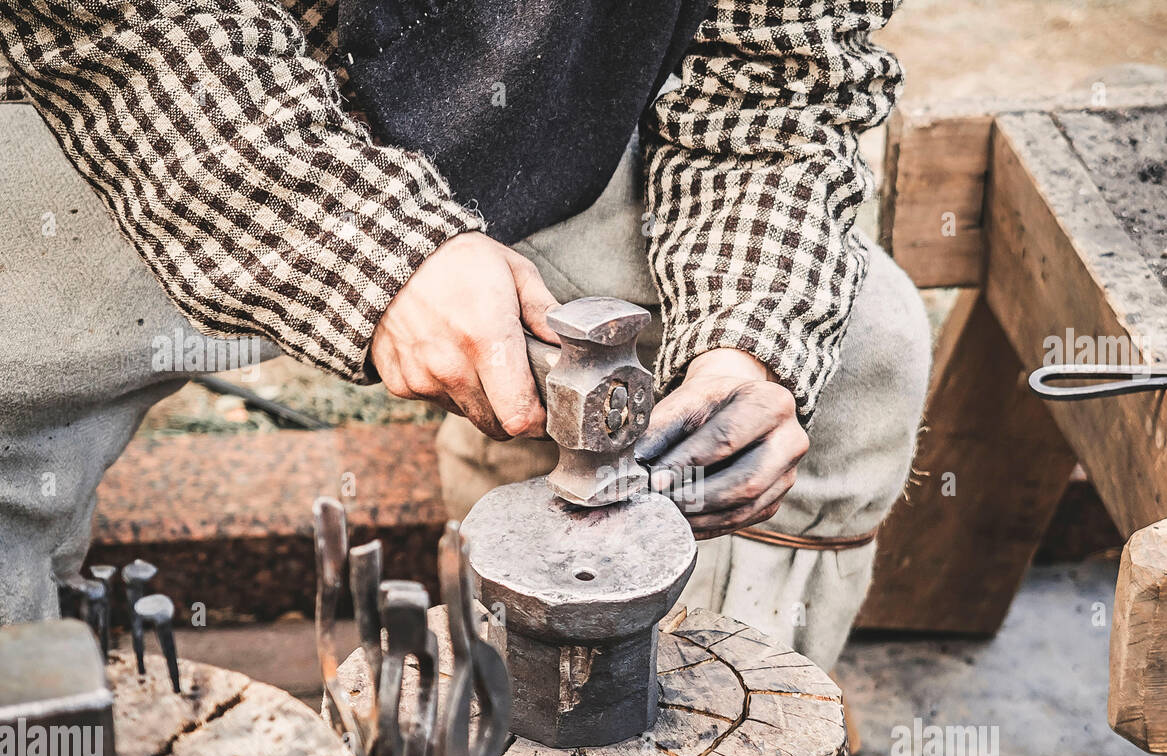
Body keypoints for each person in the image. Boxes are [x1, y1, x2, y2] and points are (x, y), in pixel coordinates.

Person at [0, 1, 929, 677]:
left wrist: (745, 342)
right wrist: (368, 246)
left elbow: (777, 87)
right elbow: (113, 27)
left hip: (537, 143)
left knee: (858, 353)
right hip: (138, 114)